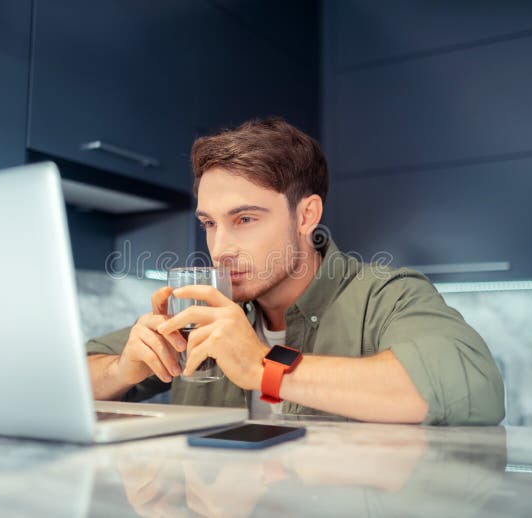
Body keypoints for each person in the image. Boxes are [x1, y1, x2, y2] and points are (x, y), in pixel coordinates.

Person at [86, 117, 505, 425]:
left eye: (245, 219)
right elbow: (68, 376)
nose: (220, 249)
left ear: (306, 216)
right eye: (209, 223)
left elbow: (473, 386)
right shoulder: (205, 308)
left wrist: (263, 366)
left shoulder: (386, 295)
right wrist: (121, 370)